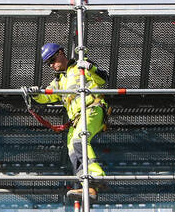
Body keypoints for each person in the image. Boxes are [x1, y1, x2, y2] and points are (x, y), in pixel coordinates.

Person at [23, 43, 110, 198]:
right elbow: (47, 96)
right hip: (77, 118)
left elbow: (103, 79)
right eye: (48, 63)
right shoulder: (59, 81)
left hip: (92, 109)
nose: (51, 65)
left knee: (79, 141)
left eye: (53, 60)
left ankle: (96, 176)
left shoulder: (81, 66)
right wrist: (35, 94)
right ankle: (89, 186)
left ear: (61, 53)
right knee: (73, 150)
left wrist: (90, 68)